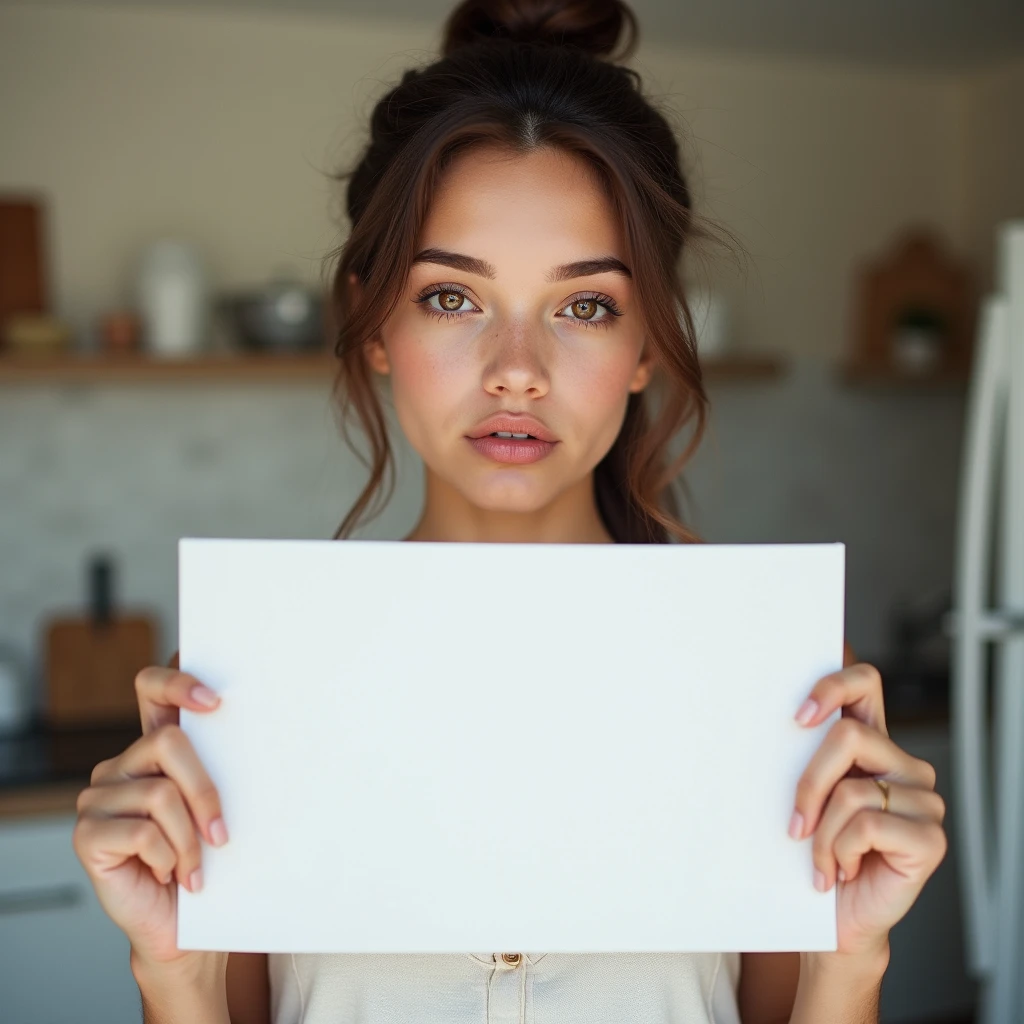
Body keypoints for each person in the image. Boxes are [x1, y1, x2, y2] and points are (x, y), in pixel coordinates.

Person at [72, 0, 948, 1021]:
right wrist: (166, 966)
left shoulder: (765, 675)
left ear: (647, 346)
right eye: (453, 296)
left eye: (584, 305)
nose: (517, 372)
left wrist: (853, 957)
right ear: (374, 325)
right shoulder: (257, 676)